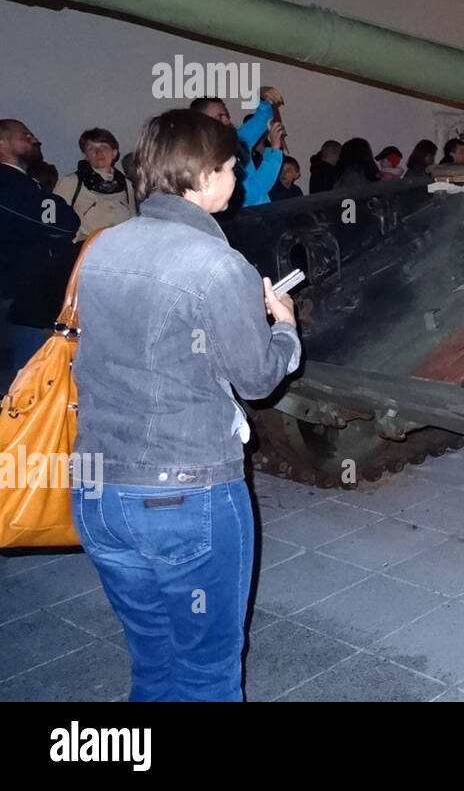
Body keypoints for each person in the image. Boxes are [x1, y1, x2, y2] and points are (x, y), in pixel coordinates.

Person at [70, 108, 301, 700]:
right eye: (231, 168)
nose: (239, 180)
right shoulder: (217, 265)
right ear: (203, 176)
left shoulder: (101, 247)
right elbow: (256, 381)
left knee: (152, 661)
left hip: (97, 491)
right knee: (206, 671)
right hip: (185, 494)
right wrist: (283, 328)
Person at [0, 119, 80, 368]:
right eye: (25, 135)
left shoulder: (25, 183)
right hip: (15, 298)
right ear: (2, 144)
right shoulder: (10, 184)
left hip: (20, 297)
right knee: (26, 385)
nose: (35, 140)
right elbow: (65, 222)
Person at [192, 87, 285, 207]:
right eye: (219, 116)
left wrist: (263, 96)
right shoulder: (205, 157)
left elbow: (262, 118)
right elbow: (250, 195)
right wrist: (274, 150)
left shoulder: (237, 139)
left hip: (263, 213)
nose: (226, 119)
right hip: (244, 219)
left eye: (226, 115)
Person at [54, 127, 138, 240]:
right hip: (86, 251)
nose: (99, 153)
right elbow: (55, 221)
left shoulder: (126, 185)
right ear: (85, 156)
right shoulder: (70, 183)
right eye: (91, 149)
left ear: (114, 153)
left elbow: (132, 220)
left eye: (104, 147)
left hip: (120, 250)